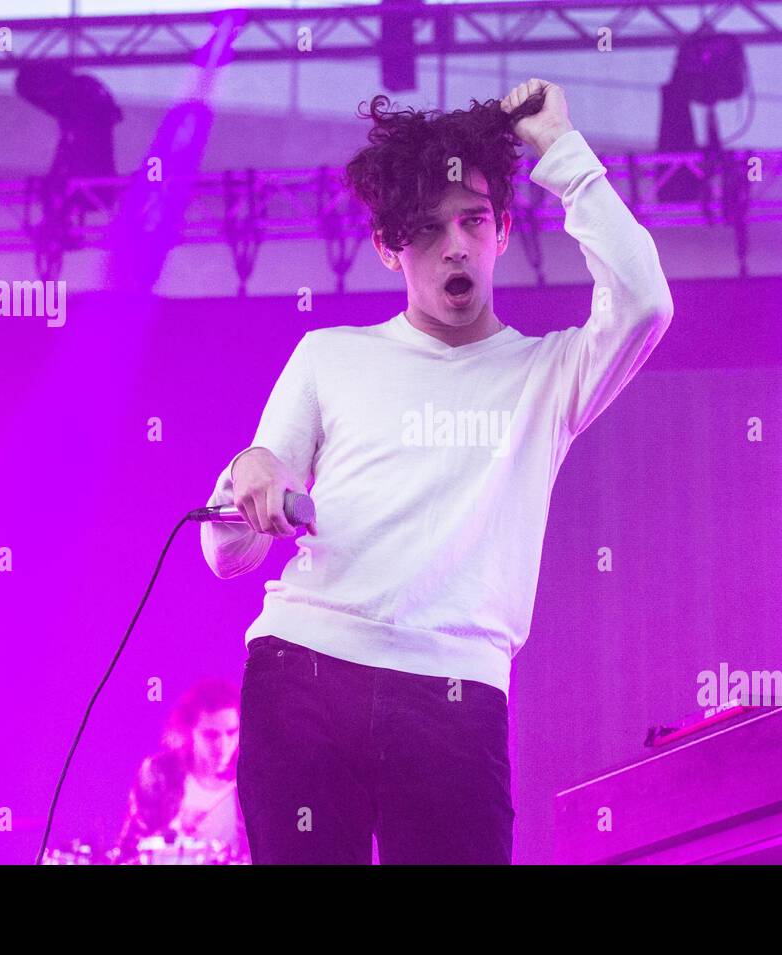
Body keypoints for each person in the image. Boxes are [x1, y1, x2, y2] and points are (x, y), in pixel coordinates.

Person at [201, 79, 673, 864]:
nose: (454, 244)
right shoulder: (330, 355)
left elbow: (645, 304)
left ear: (502, 230)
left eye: (473, 220)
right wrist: (247, 473)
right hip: (305, 674)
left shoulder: (547, 373)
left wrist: (560, 148)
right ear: (390, 247)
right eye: (426, 229)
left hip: (454, 697)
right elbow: (226, 555)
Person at [114, 678, 250, 864]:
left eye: (232, 732)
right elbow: (127, 853)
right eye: (211, 735)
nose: (223, 746)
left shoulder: (251, 778)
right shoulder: (159, 774)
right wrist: (174, 832)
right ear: (189, 730)